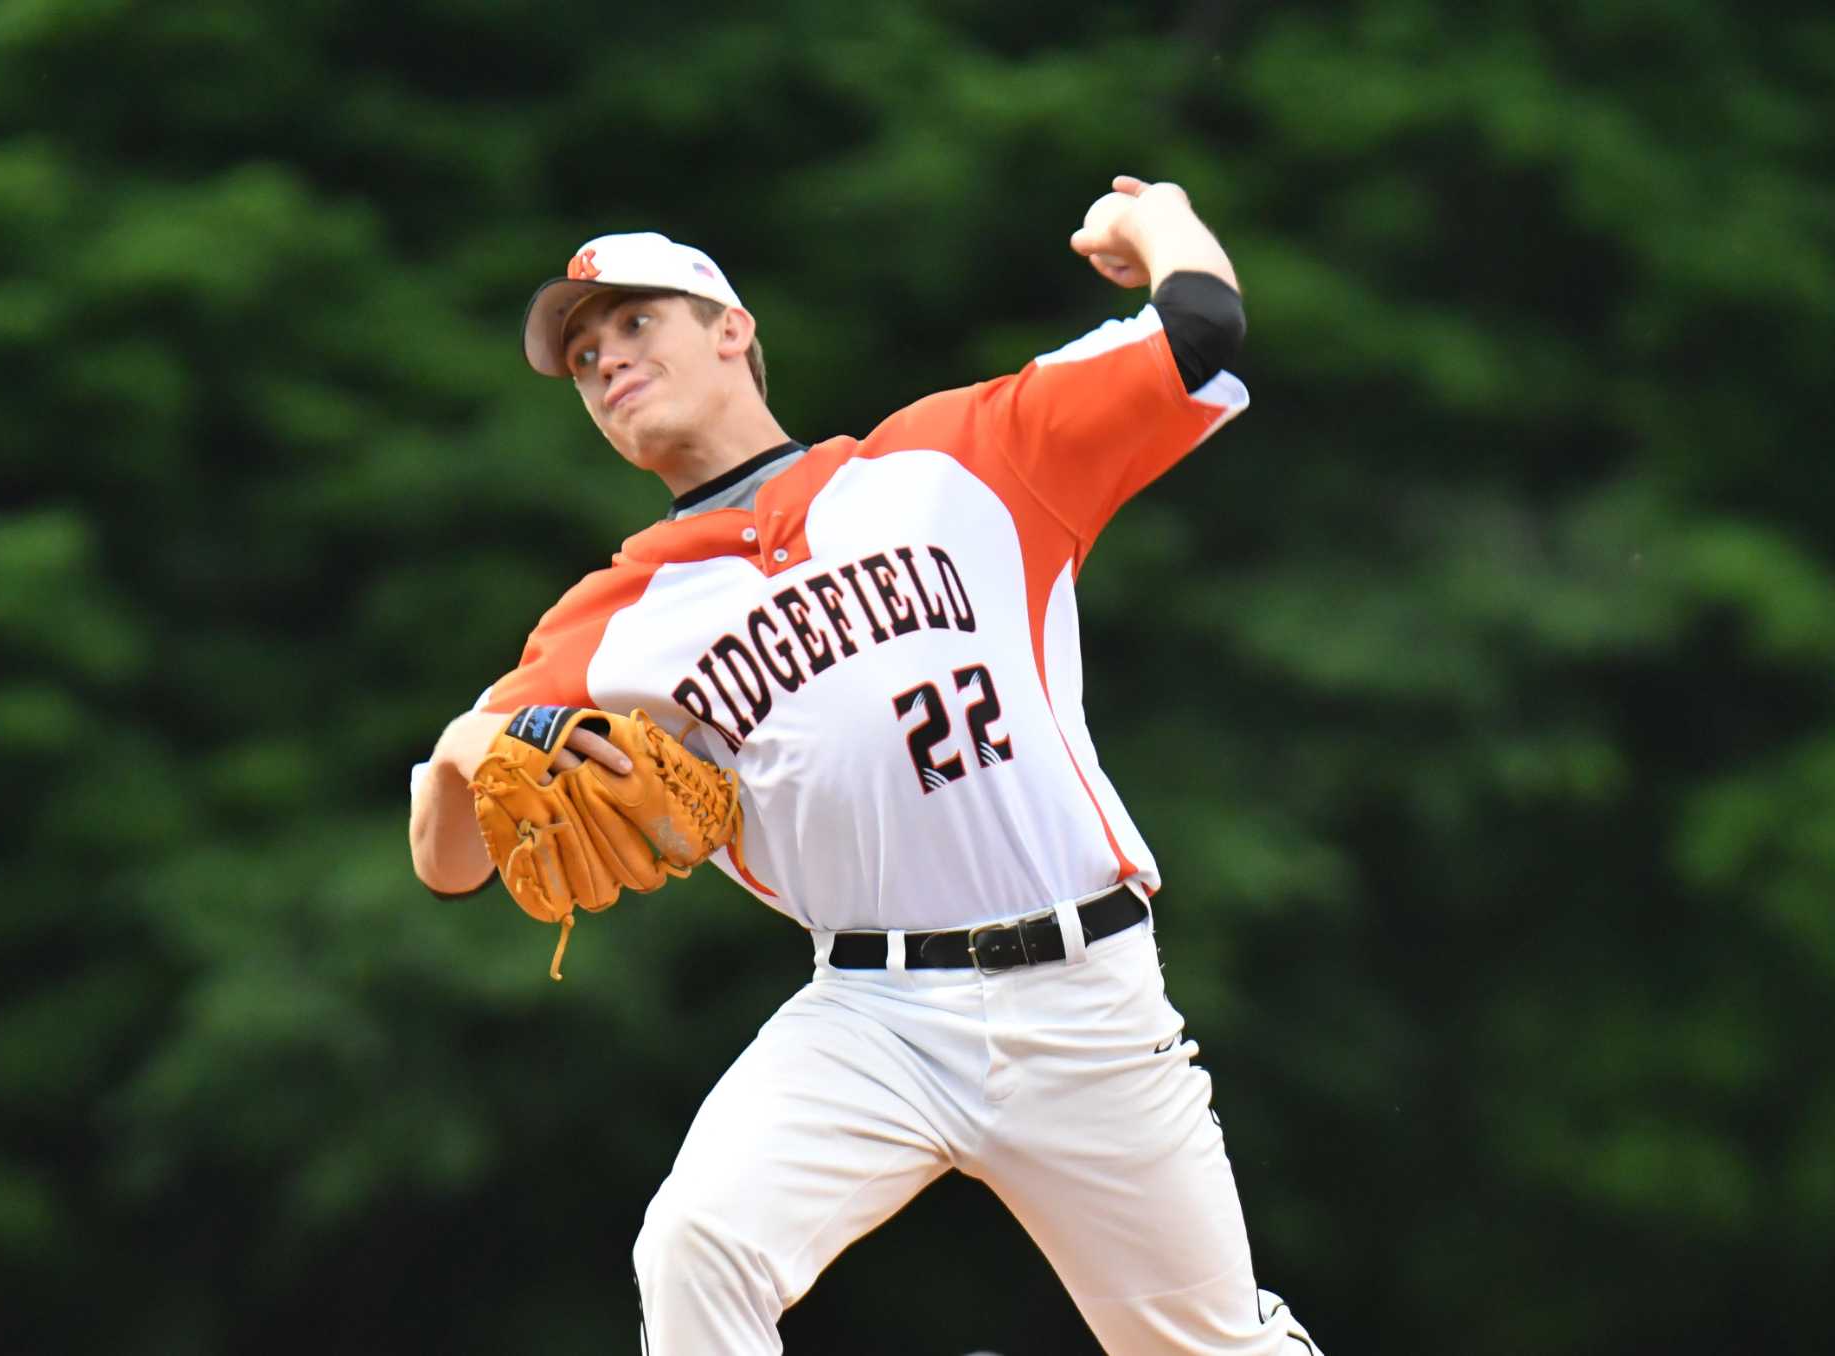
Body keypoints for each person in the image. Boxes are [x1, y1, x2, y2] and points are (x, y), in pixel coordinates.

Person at [408, 175, 1323, 1355]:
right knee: (695, 1243)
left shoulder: (952, 461)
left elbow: (1197, 333)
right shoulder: (613, 619)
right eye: (582, 357)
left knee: (1208, 1346)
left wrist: (1153, 219)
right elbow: (449, 864)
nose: (606, 361)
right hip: (872, 1014)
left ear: (731, 329)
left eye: (635, 323)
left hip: (1084, 994)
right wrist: (464, 750)